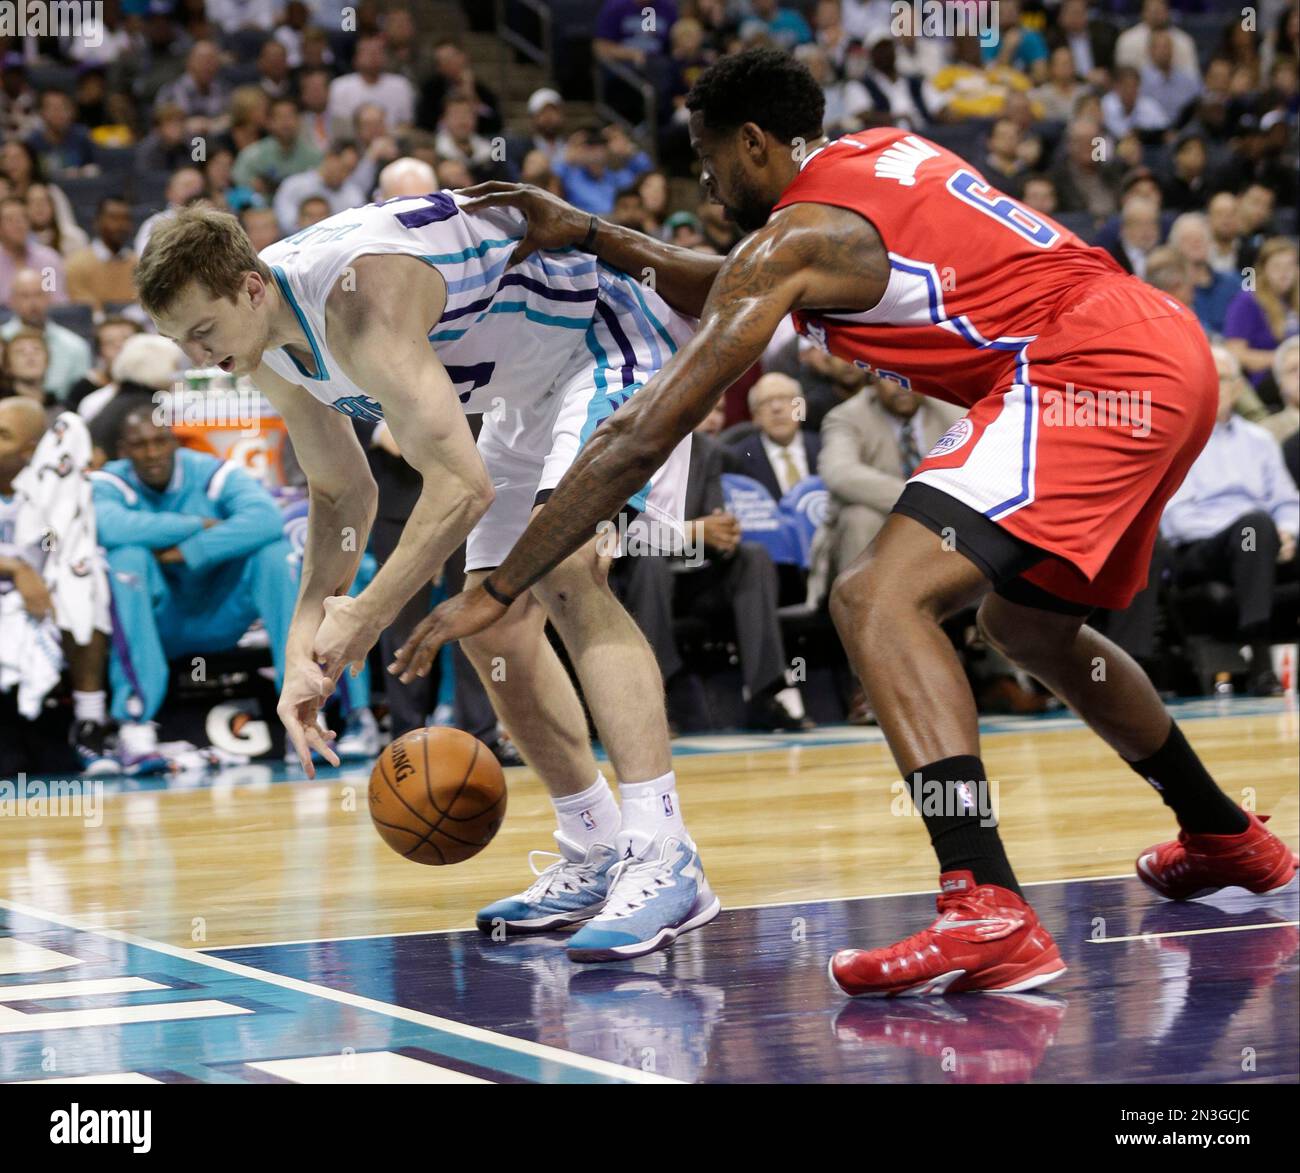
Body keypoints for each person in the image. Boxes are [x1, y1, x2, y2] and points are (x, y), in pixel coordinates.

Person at [406, 48, 1298, 997]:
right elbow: (736, 282)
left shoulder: (795, 240)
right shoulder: (877, 158)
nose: (706, 184)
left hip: (1087, 366)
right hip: (1162, 352)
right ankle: (1224, 834)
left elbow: (640, 433)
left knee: (876, 597)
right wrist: (591, 232)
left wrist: (500, 586)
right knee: (1027, 625)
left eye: (710, 161)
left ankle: (985, 906)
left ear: (753, 144)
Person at [133, 200, 719, 964]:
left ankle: (664, 847)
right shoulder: (265, 339)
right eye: (179, 342)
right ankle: (597, 844)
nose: (196, 355)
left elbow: (459, 487)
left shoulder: (357, 298)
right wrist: (302, 652)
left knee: (567, 570)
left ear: (248, 288)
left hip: (609, 335)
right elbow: (343, 495)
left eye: (201, 333)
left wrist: (368, 616)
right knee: (494, 625)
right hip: (523, 388)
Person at [90, 411, 300, 764]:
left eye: (160, 442)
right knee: (126, 558)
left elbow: (266, 519)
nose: (153, 453)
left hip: (223, 616)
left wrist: (190, 552)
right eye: (140, 445)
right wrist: (195, 525)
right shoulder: (109, 481)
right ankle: (135, 723)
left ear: (174, 443)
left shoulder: (212, 472)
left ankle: (305, 712)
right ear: (124, 451)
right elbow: (107, 526)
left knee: (275, 554)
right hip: (161, 624)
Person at [1161, 346, 1298, 696]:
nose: (1214, 387)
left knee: (1260, 529)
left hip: (1262, 546)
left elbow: (1286, 501)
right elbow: (1176, 520)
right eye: (1206, 379)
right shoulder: (1178, 437)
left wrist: (1286, 533)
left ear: (1238, 387)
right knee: (1252, 526)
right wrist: (1240, 534)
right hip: (1202, 552)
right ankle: (1261, 664)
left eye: (1221, 380)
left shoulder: (1260, 441)